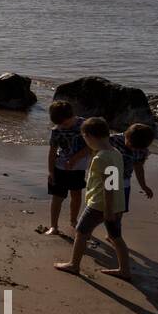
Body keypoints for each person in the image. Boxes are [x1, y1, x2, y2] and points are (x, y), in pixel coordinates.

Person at [55, 116, 131, 279]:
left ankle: (74, 265)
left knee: (81, 232)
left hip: (100, 204)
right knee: (116, 237)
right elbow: (114, 183)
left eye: (84, 138)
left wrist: (108, 210)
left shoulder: (102, 157)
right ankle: (125, 270)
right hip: (116, 203)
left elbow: (108, 186)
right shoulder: (115, 153)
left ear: (89, 136)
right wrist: (115, 207)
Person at [44, 100, 89, 236]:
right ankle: (53, 226)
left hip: (78, 169)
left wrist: (75, 159)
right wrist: (51, 171)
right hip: (60, 168)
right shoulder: (57, 130)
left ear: (72, 116)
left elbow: (91, 146)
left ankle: (73, 220)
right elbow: (52, 152)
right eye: (59, 124)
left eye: (65, 123)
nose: (63, 126)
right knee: (57, 198)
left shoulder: (85, 125)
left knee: (76, 195)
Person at [110, 122, 155, 214]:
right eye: (131, 146)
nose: (134, 149)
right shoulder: (112, 140)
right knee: (101, 208)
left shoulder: (142, 150)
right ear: (126, 135)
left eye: (138, 148)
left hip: (124, 182)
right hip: (108, 178)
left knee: (119, 210)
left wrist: (144, 186)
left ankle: (115, 226)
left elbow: (138, 167)